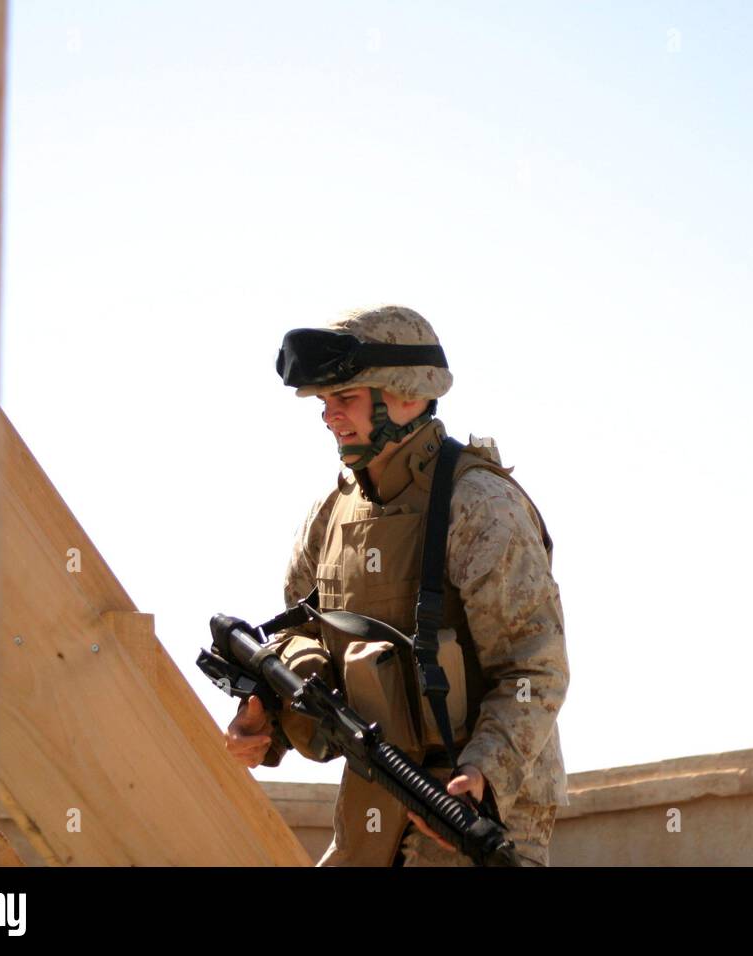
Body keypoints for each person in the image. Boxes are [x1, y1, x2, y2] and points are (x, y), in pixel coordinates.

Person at [224, 304, 569, 866]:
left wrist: (481, 775)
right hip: (372, 802)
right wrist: (267, 717)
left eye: (346, 399)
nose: (330, 417)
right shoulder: (331, 514)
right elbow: (301, 635)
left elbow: (534, 669)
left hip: (472, 820)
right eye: (324, 403)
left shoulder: (480, 504)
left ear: (406, 396)